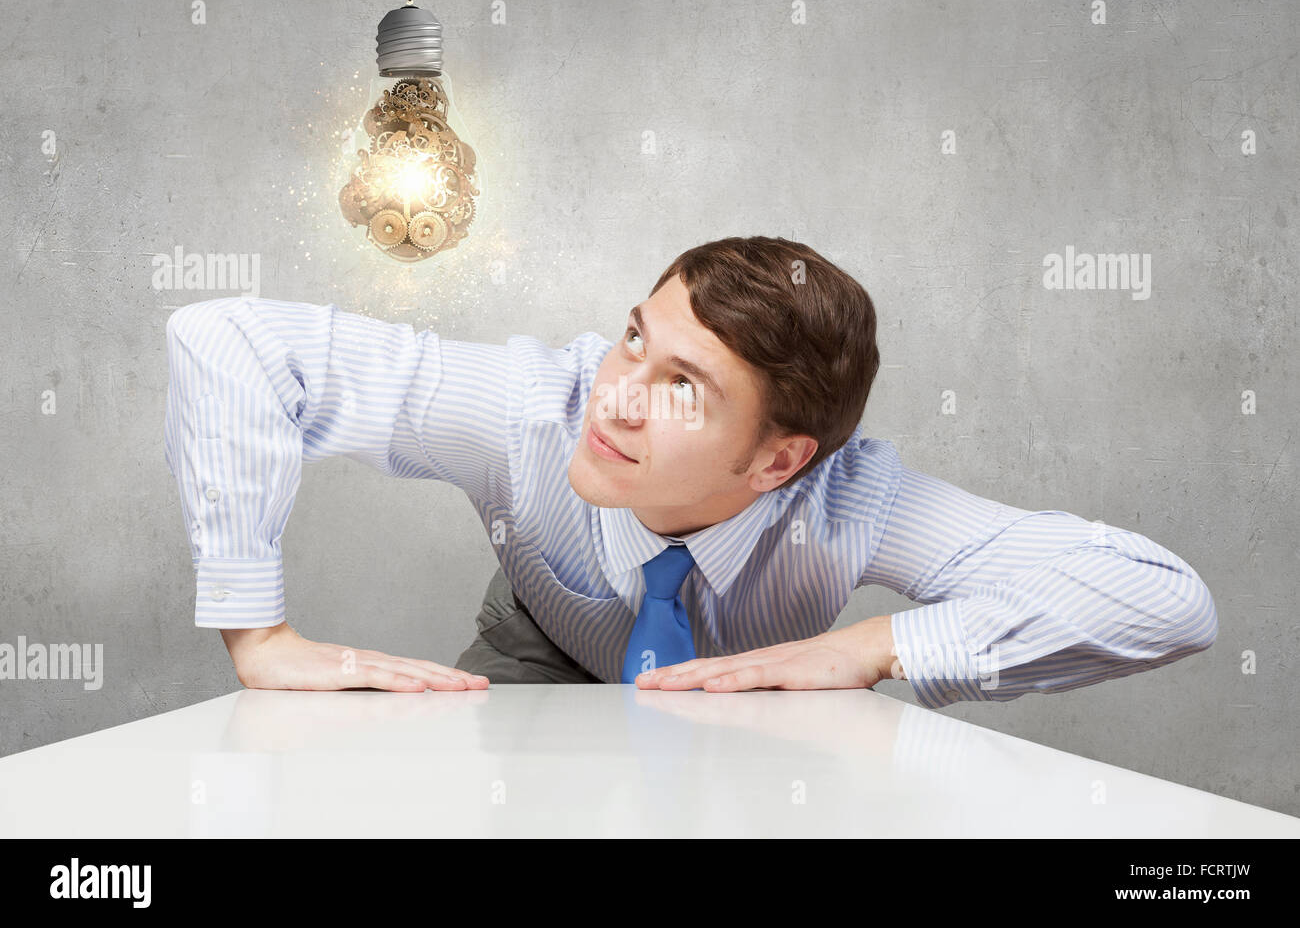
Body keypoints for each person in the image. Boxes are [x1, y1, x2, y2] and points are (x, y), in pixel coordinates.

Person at [162, 236, 1217, 707]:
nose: (615, 394)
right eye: (633, 337)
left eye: (682, 385)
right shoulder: (533, 414)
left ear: (779, 459)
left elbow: (1166, 599)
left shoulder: (854, 501)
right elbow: (228, 340)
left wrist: (876, 645)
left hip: (750, 699)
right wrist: (257, 633)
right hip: (538, 656)